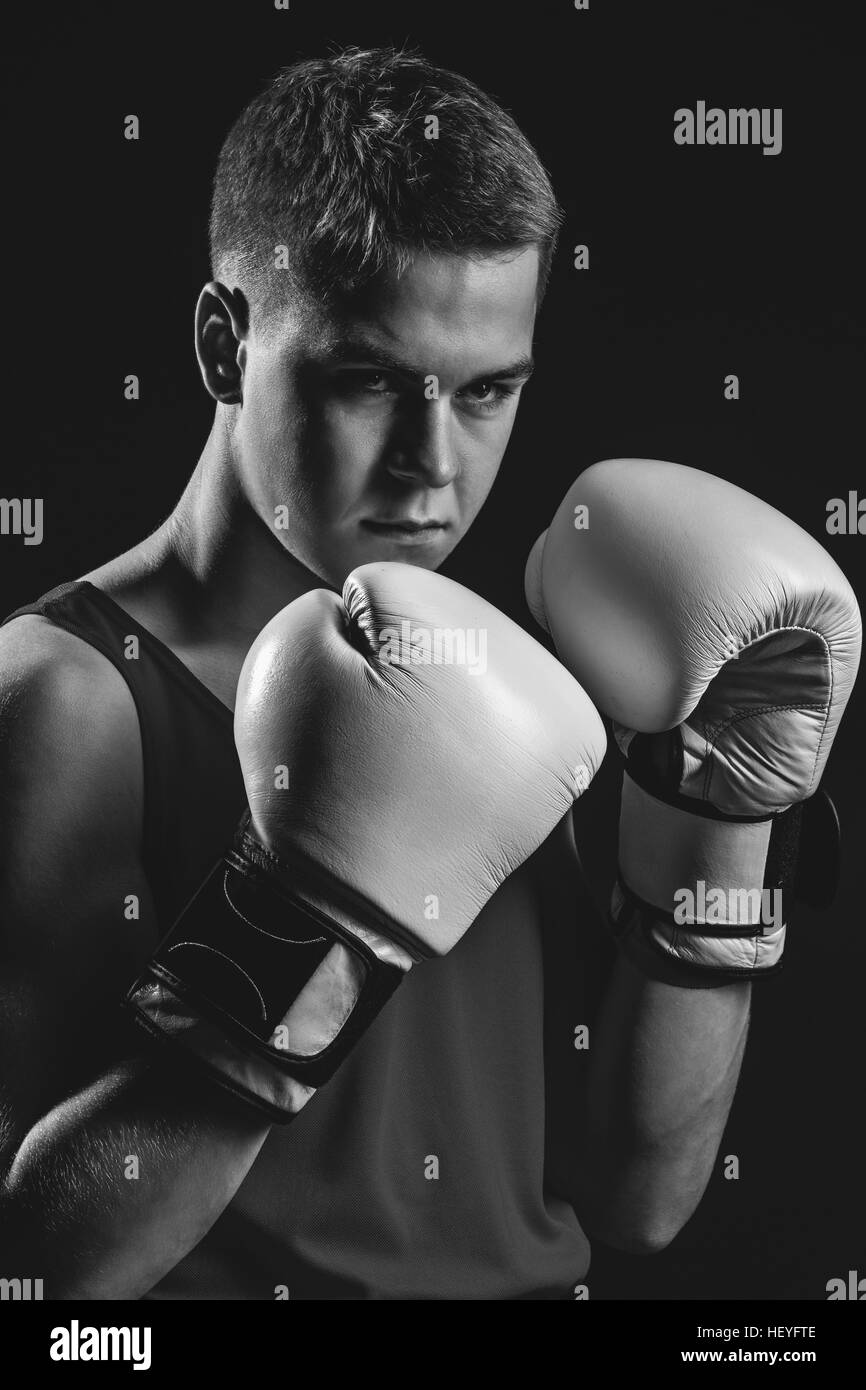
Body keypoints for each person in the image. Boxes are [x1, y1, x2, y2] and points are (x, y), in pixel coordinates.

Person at [1, 46, 837, 1302]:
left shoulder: (510, 685)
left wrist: (720, 813)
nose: (431, 466)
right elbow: (41, 1270)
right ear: (225, 346)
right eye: (367, 383)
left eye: (489, 391)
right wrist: (310, 918)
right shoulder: (70, 701)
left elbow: (639, 1198)